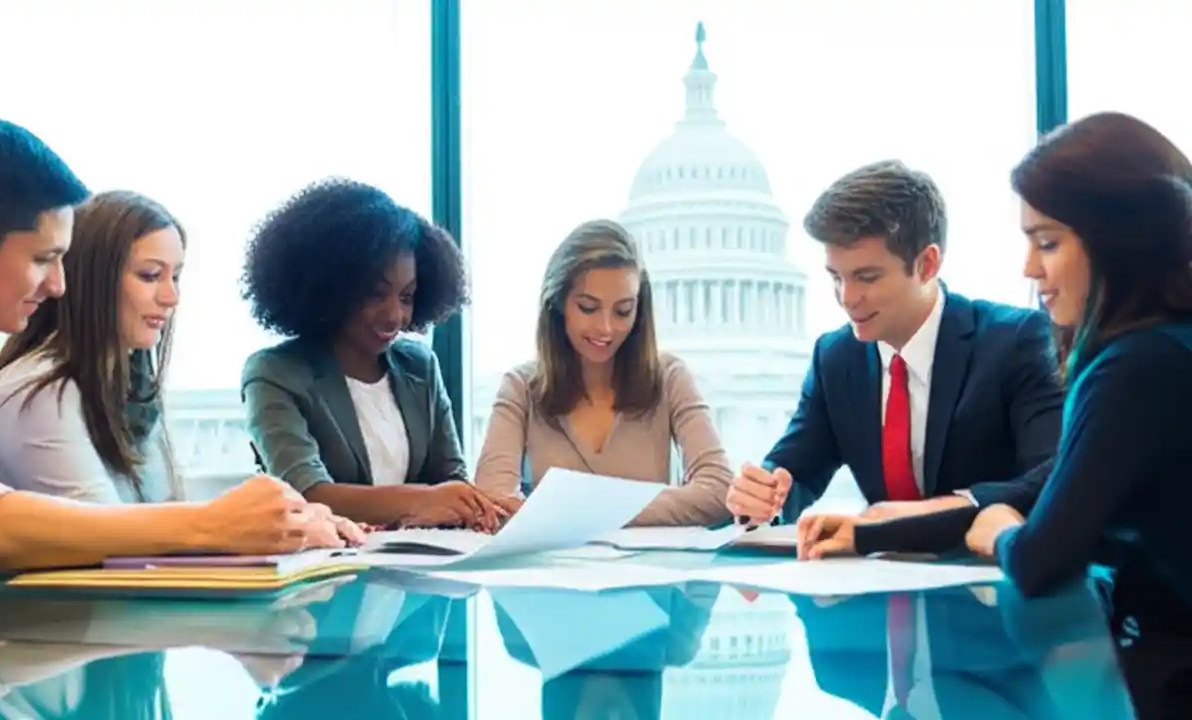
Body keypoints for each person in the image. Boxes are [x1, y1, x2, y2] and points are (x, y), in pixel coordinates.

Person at [797, 112, 1192, 719]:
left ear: (1117, 239)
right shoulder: (1166, 349)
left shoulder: (1128, 365)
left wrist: (1002, 526)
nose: (1030, 270)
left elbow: (1042, 553)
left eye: (1048, 242)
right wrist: (864, 525)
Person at [0, 117, 357, 591]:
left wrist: (273, 519)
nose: (59, 284)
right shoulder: (32, 384)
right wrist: (220, 526)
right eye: (42, 259)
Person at [724, 160, 1063, 526]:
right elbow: (796, 470)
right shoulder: (836, 358)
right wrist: (761, 496)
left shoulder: (1015, 340)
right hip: (883, 577)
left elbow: (1050, 477)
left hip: (990, 571)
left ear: (927, 264)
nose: (846, 297)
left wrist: (929, 513)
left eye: (866, 277)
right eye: (836, 277)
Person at [240, 178, 500, 530]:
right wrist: (425, 499)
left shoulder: (419, 367)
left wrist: (481, 505)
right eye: (376, 294)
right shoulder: (275, 373)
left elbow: (450, 479)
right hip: (324, 573)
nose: (395, 315)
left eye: (406, 297)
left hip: (412, 567)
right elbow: (308, 495)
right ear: (332, 287)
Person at [474, 219, 732, 526]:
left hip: (652, 571)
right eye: (588, 308)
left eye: (623, 311)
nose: (606, 328)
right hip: (551, 574)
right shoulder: (520, 387)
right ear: (558, 305)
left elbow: (719, 491)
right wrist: (634, 505)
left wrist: (576, 510)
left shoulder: (670, 377)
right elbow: (493, 501)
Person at [0, 191, 187, 504]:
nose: (171, 297)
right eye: (150, 275)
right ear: (93, 279)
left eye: (177, 276)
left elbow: (170, 515)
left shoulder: (134, 386)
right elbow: (111, 539)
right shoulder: (37, 391)